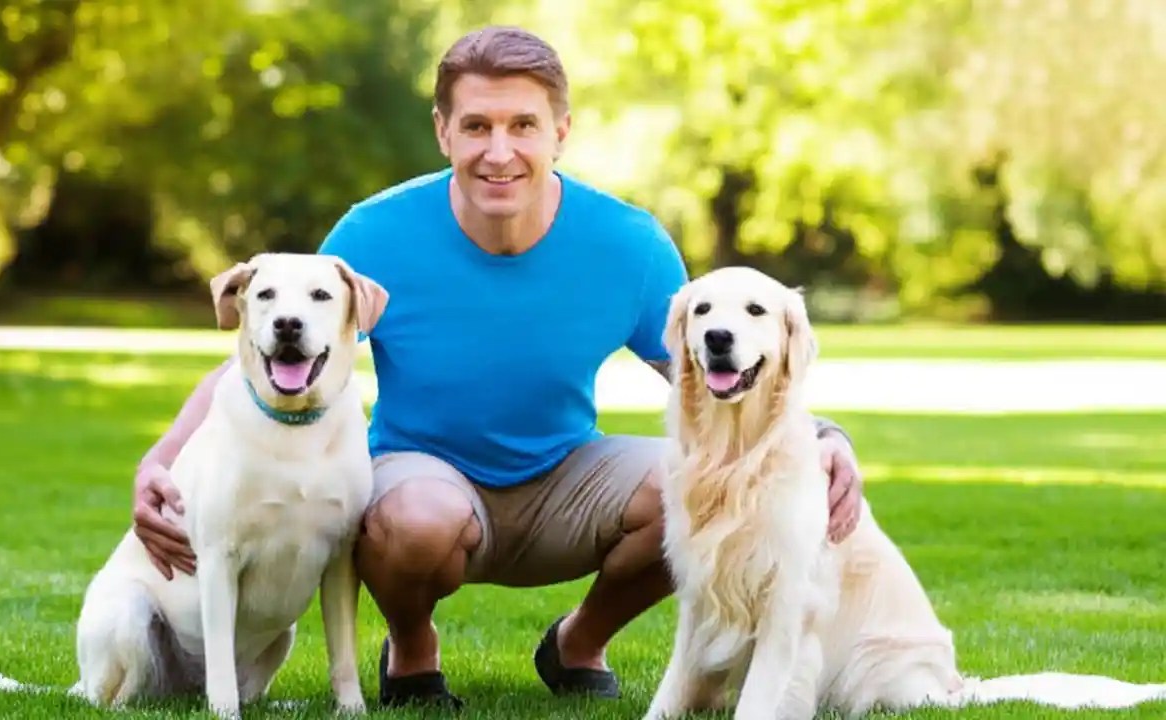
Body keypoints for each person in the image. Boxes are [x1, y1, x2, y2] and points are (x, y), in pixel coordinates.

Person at [130, 25, 865, 710]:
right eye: (477, 125)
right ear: (443, 131)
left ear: (561, 134)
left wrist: (827, 436)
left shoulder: (629, 244)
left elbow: (725, 371)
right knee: (415, 519)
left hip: (566, 481)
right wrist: (162, 461)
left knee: (685, 484)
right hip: (421, 480)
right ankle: (412, 653)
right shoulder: (373, 232)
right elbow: (258, 362)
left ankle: (579, 643)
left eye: (523, 126)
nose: (499, 150)